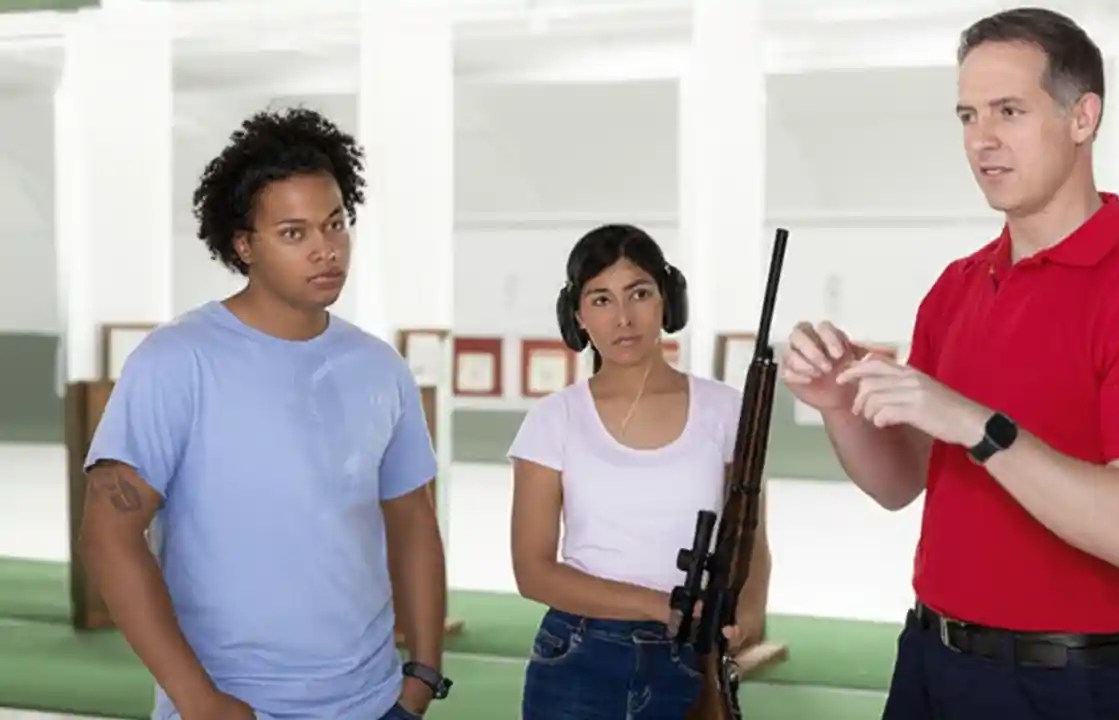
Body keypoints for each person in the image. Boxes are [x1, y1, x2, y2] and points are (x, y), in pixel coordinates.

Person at [781, 8, 1119, 720]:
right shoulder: (956, 287)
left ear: (1083, 117)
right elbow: (900, 482)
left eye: (1009, 111)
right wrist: (839, 405)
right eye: (967, 115)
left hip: (1071, 686)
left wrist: (977, 426)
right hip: (928, 661)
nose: (982, 139)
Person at [78, 107, 451, 720]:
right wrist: (199, 701)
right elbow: (109, 537)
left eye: (335, 224)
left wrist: (422, 679)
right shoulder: (177, 361)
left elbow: (413, 521)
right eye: (294, 233)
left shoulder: (379, 367)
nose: (326, 249)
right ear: (243, 245)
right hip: (233, 705)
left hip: (375, 701)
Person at [507, 224, 772, 719]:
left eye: (640, 293)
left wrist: (749, 612)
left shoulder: (726, 411)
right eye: (601, 300)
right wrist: (658, 605)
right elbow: (533, 572)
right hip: (578, 655)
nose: (624, 318)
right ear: (577, 316)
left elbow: (750, 541)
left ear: (667, 300)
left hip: (691, 656)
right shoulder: (553, 419)